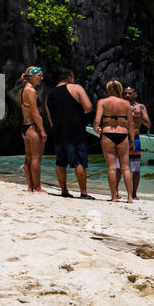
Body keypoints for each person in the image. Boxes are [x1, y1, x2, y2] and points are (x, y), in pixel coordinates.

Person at [46, 69, 94, 198]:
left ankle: (64, 191)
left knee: (61, 161)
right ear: (69, 77)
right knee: (79, 161)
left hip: (58, 131)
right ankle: (83, 192)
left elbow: (50, 117)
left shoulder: (49, 94)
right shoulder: (76, 87)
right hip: (75, 130)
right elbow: (88, 107)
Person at [93, 80, 134, 203]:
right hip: (122, 134)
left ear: (108, 89)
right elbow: (130, 124)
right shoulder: (126, 103)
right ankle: (130, 197)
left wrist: (96, 128)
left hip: (108, 133)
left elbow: (96, 120)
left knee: (111, 168)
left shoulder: (102, 102)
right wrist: (132, 140)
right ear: (120, 89)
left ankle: (114, 197)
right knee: (125, 168)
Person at [20, 65, 47, 192]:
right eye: (39, 76)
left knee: (29, 158)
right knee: (36, 158)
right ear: (31, 77)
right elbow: (35, 112)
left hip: (25, 127)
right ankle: (37, 187)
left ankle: (30, 186)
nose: (41, 78)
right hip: (32, 127)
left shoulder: (24, 89)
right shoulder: (31, 91)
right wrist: (42, 130)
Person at [124, 85, 151, 201]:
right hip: (122, 138)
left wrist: (138, 115)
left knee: (135, 169)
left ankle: (134, 193)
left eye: (129, 93)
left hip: (135, 139)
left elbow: (148, 124)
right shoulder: (120, 105)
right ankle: (115, 192)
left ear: (135, 94)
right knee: (119, 167)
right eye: (125, 93)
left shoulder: (141, 107)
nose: (127, 95)